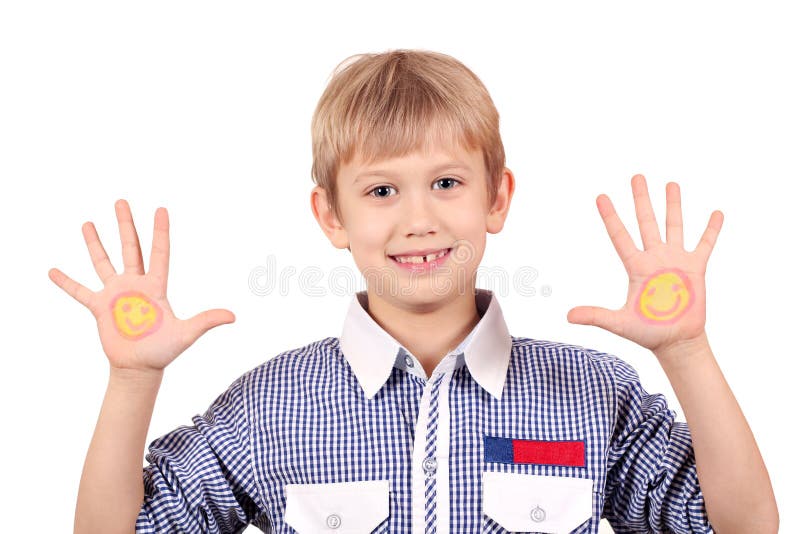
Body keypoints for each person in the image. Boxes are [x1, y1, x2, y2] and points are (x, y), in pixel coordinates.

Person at [53, 49, 778, 533]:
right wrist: (130, 380)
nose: (419, 219)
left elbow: (743, 526)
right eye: (381, 190)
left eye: (446, 183)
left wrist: (687, 351)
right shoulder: (267, 408)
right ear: (331, 216)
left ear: (497, 198)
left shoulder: (592, 392)